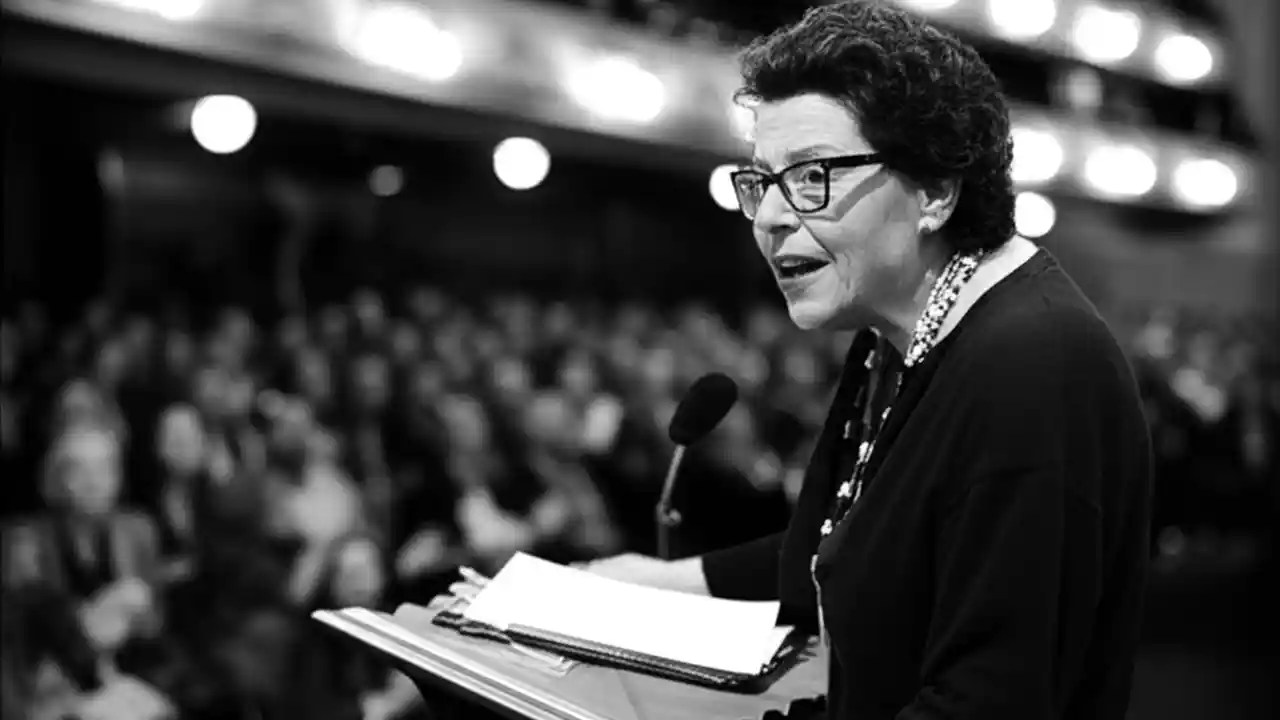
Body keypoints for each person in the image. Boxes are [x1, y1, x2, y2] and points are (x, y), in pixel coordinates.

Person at [581, 3, 1152, 719]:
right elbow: (844, 549)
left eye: (813, 175)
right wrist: (658, 579)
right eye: (761, 181)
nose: (770, 217)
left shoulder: (1033, 366)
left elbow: (989, 700)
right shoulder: (898, 325)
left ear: (936, 191)